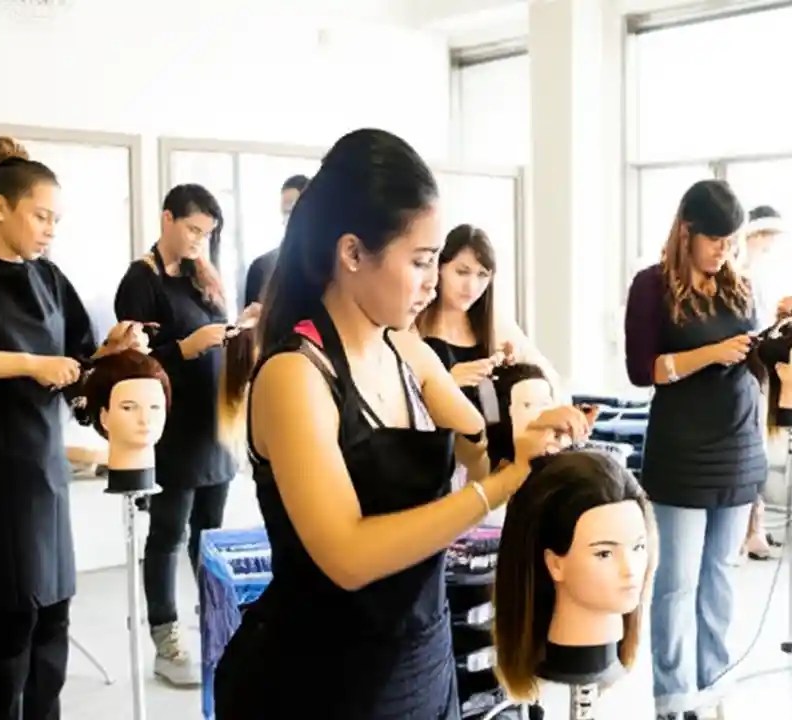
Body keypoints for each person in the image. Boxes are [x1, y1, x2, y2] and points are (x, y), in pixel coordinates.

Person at [212, 128, 592, 719]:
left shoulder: (407, 350)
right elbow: (348, 553)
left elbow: (479, 447)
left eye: (436, 261)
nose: (435, 281)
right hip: (319, 680)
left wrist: (531, 437)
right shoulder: (296, 375)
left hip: (420, 654)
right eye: (420, 262)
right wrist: (496, 487)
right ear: (353, 253)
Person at [0, 136, 145, 720]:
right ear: (0, 208)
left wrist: (114, 347)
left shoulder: (51, 279)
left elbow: (79, 365)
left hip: (43, 470)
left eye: (56, 219)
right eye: (40, 215)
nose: (50, 229)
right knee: (14, 620)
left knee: (55, 611)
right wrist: (29, 363)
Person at [624, 179, 766, 719]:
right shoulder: (650, 286)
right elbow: (643, 371)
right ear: (687, 231)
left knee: (721, 578)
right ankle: (674, 699)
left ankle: (713, 690)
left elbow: (751, 359)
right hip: (682, 452)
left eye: (732, 241)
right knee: (676, 585)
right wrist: (710, 354)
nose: (724, 252)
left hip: (739, 446)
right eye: (716, 241)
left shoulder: (741, 286)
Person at [113, 183, 246, 686]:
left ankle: (217, 625)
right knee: (168, 532)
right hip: (170, 429)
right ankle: (165, 638)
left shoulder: (202, 278)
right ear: (167, 218)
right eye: (192, 230)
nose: (197, 241)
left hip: (216, 425)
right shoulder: (140, 281)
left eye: (206, 234)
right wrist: (185, 349)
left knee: (210, 536)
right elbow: (131, 365)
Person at [414, 223, 561, 396]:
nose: (471, 286)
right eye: (462, 272)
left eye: (482, 275)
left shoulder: (494, 323)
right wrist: (446, 382)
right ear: (439, 268)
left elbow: (548, 379)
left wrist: (511, 373)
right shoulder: (413, 321)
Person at [734, 205, 792, 561]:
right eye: (767, 239)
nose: (770, 246)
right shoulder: (738, 277)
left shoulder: (760, 277)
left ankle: (754, 529)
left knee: (755, 457)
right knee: (747, 458)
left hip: (757, 379)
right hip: (739, 380)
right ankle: (748, 531)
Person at [243, 174, 309, 307]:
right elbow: (247, 321)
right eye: (285, 213)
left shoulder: (331, 268)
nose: (288, 221)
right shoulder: (261, 267)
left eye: (292, 212)